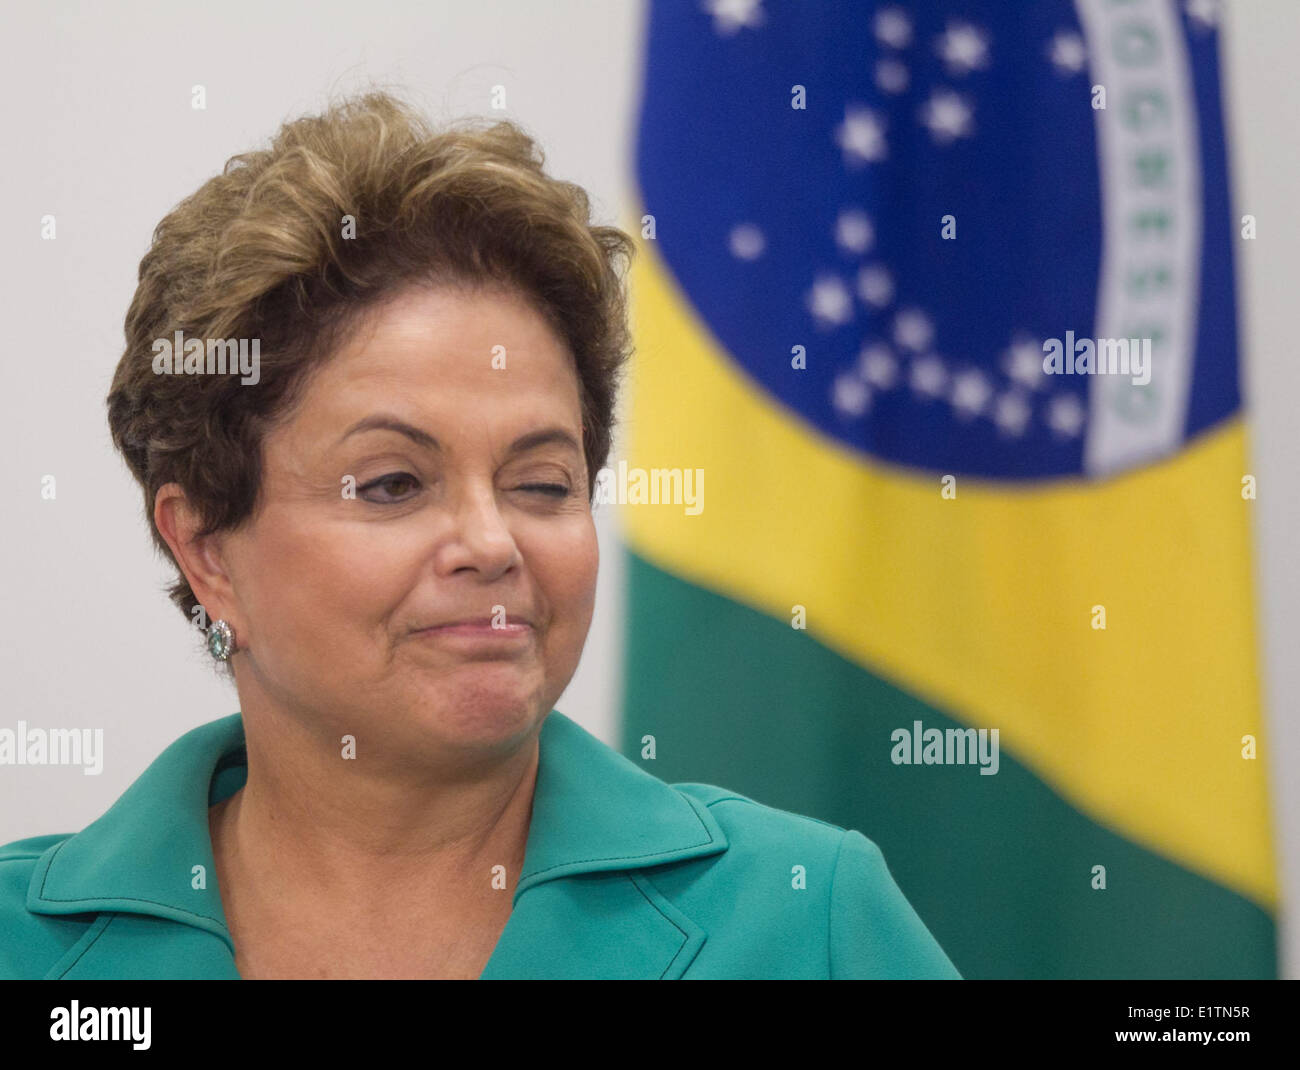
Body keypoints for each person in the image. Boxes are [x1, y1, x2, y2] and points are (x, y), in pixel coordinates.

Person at [0, 91, 960, 979]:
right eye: (392, 484)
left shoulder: (806, 918)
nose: (491, 542)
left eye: (542, 483)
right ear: (207, 549)